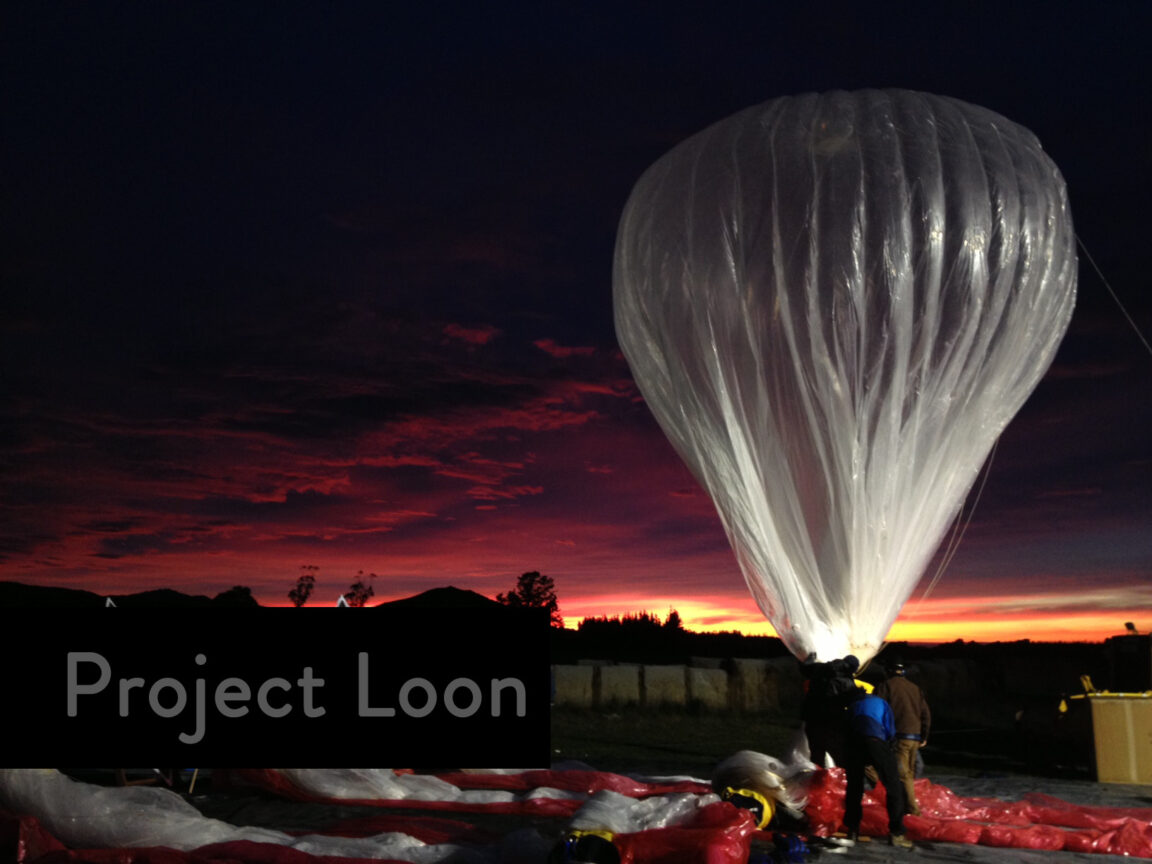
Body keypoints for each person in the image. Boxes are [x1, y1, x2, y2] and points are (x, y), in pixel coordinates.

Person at [842, 689, 913, 849]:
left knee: (854, 787)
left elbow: (846, 730)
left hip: (855, 744)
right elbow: (890, 729)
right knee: (893, 785)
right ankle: (896, 832)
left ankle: (852, 830)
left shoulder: (852, 706)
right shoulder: (881, 702)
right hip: (876, 741)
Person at [874, 661, 931, 817]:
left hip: (899, 737)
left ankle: (912, 810)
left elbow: (877, 709)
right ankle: (907, 804)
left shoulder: (885, 686)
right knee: (911, 772)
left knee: (902, 775)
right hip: (915, 737)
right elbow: (926, 714)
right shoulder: (915, 688)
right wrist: (924, 736)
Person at [800, 654, 860, 767]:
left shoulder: (821, 669)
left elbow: (804, 669)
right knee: (839, 755)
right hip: (832, 721)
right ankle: (841, 782)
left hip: (812, 718)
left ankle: (817, 781)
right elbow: (853, 700)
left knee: (816, 754)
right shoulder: (846, 681)